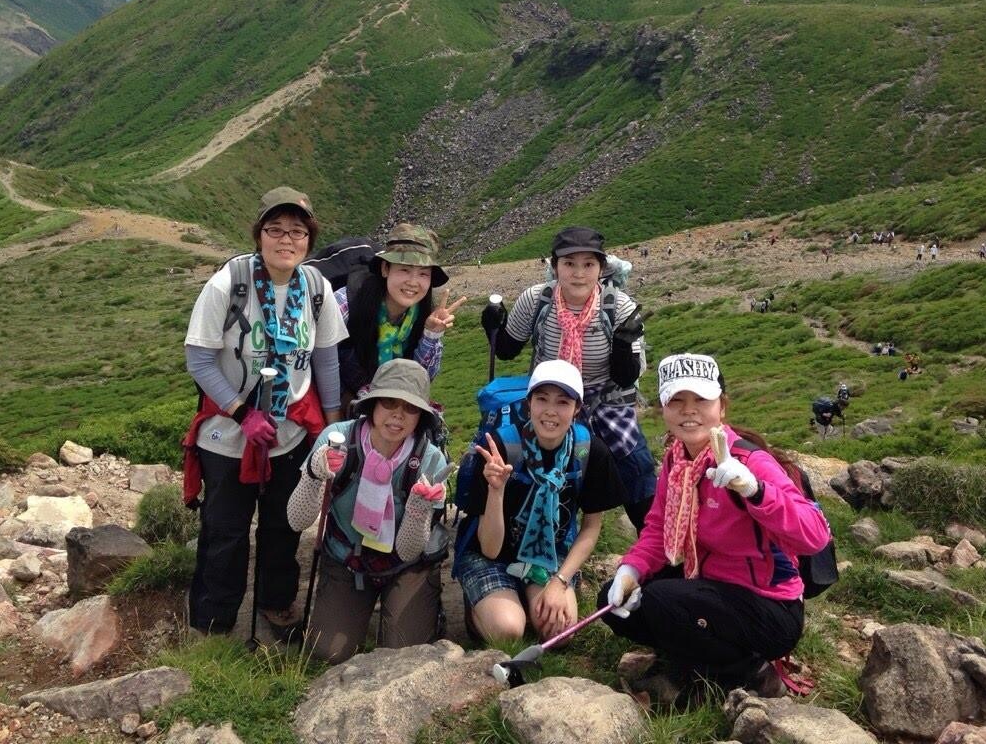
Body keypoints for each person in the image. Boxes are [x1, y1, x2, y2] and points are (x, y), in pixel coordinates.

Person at [600, 353, 831, 700]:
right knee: (613, 602)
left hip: (769, 606)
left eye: (700, 400)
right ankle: (697, 657)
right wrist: (630, 569)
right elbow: (657, 528)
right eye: (676, 401)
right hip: (709, 585)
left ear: (721, 407)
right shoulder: (676, 461)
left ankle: (754, 672)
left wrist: (755, 490)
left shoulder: (750, 462)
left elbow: (814, 535)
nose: (688, 410)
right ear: (663, 409)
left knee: (662, 600)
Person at [182, 186, 348, 638]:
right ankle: (213, 619)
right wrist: (241, 412)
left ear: (309, 239)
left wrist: (332, 428)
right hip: (226, 434)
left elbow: (326, 358)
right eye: (275, 229)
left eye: (296, 231)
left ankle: (276, 601)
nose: (286, 240)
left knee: (283, 524)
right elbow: (198, 359)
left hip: (290, 433)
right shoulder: (228, 283)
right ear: (259, 235)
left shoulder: (316, 289)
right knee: (225, 529)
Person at [482, 226, 655, 530]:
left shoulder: (620, 307)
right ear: (555, 266)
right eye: (569, 264)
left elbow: (627, 376)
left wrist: (624, 345)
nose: (578, 273)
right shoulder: (536, 300)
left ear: (601, 268)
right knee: (539, 471)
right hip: (552, 397)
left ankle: (652, 541)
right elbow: (508, 349)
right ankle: (543, 534)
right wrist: (493, 326)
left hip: (605, 400)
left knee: (635, 470)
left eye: (588, 264)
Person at [286, 359, 449, 664]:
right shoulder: (336, 441)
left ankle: (420, 608)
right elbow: (297, 520)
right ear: (372, 404)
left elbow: (410, 548)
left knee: (403, 654)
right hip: (348, 558)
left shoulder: (430, 460)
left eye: (410, 408)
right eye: (389, 402)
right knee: (327, 653)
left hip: (406, 564)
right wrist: (313, 474)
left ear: (421, 417)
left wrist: (417, 509)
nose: (398, 414)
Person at [455, 360, 624, 643]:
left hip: (548, 554)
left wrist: (559, 581)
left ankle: (528, 595)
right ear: (529, 402)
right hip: (490, 554)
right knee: (507, 630)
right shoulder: (499, 449)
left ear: (577, 408)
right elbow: (490, 548)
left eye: (562, 402)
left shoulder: (589, 452)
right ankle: (483, 606)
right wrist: (496, 492)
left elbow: (591, 526)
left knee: (560, 633)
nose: (550, 411)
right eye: (541, 399)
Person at [332, 223, 465, 414]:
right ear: (385, 269)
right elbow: (320, 362)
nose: (413, 282)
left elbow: (420, 380)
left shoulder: (424, 315)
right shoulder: (347, 302)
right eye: (404, 270)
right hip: (338, 406)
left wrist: (431, 335)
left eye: (423, 273)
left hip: (386, 410)